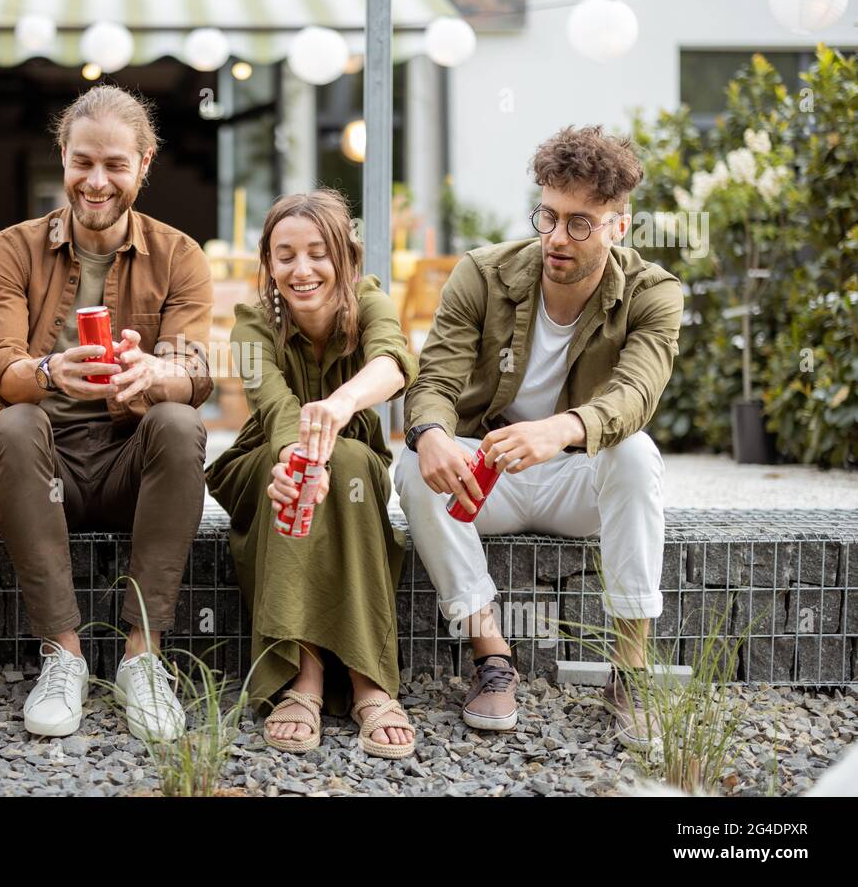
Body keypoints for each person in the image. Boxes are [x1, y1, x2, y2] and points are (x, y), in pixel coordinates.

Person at [393, 126, 683, 750]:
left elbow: (636, 394)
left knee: (636, 453)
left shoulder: (653, 292)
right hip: (488, 479)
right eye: (548, 216)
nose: (557, 236)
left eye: (581, 223)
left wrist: (561, 430)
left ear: (619, 227)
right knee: (413, 463)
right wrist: (433, 434)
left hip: (578, 480)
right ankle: (491, 657)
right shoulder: (483, 273)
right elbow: (433, 379)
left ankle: (630, 673)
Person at [0, 85, 213, 743]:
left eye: (115, 165)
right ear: (63, 156)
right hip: (45, 468)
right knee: (13, 421)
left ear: (145, 163)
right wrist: (45, 372)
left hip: (133, 463)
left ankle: (143, 657)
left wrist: (158, 373)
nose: (96, 181)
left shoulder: (179, 255)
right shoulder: (11, 250)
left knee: (181, 422)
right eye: (83, 162)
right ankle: (63, 653)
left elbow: (196, 372)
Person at [205, 189, 419, 759]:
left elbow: (394, 362)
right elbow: (275, 409)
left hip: (350, 463)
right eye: (285, 255)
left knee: (347, 461)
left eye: (318, 253)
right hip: (266, 463)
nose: (301, 270)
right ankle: (306, 675)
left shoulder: (370, 301)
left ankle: (367, 676)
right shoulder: (252, 324)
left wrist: (339, 406)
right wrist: (297, 462)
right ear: (269, 264)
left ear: (345, 257)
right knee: (312, 479)